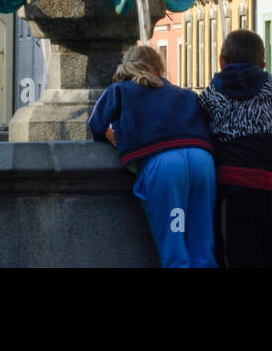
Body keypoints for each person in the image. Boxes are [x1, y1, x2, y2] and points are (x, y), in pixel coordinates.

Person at [88, 44, 216, 267]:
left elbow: (95, 125)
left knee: (175, 247)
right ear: (160, 70)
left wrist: (117, 137)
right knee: (202, 245)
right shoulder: (185, 94)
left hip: (165, 164)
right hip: (201, 159)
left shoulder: (119, 90)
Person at [198, 30, 272, 267]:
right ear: (263, 64)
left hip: (237, 189)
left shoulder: (211, 95)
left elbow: (200, 132)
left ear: (221, 61)